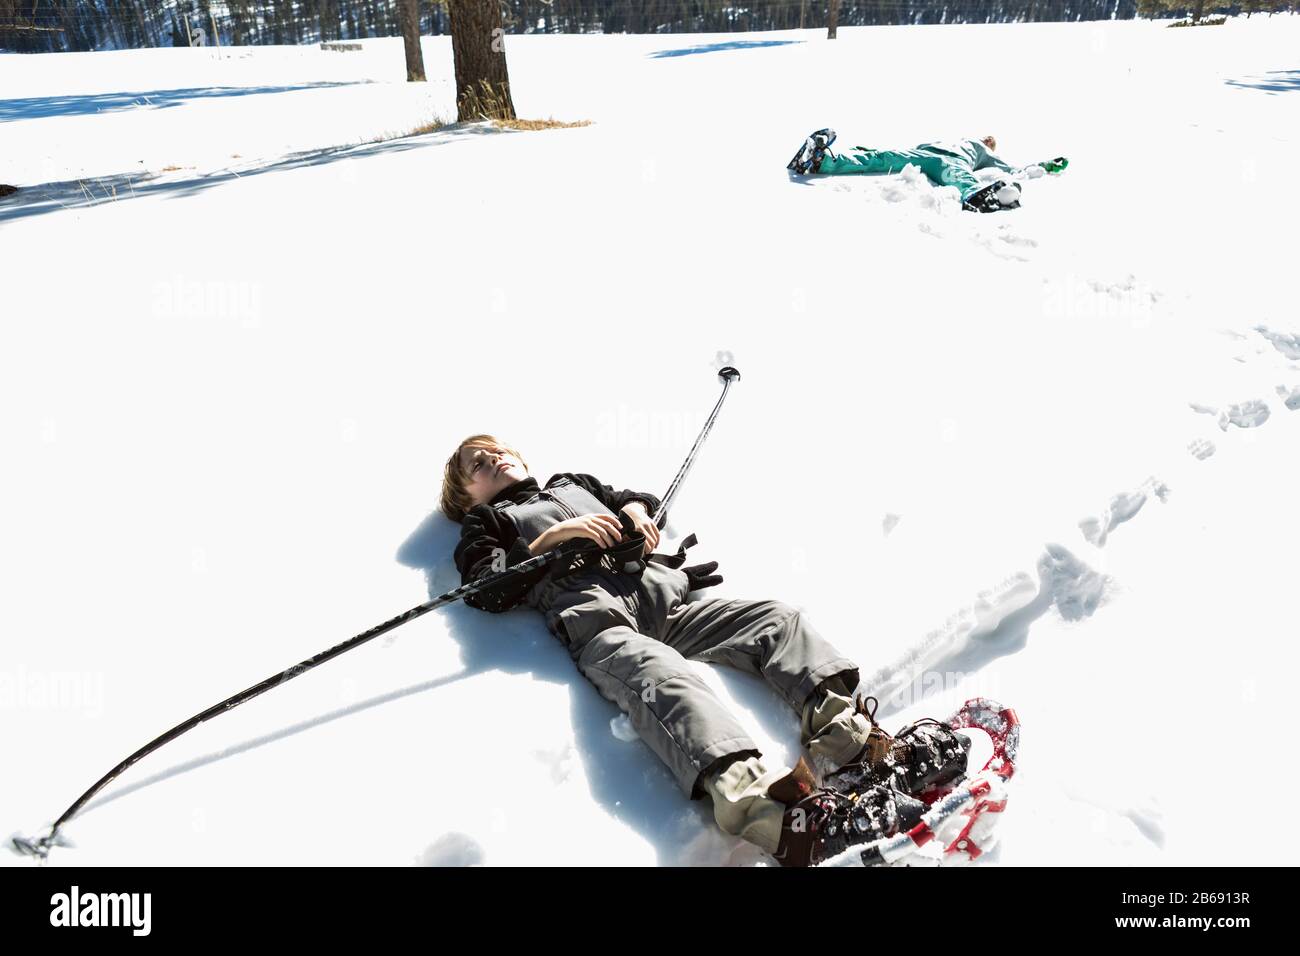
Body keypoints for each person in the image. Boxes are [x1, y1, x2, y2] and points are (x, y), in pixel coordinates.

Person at [441, 433, 911, 866]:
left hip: (667, 603)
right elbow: (487, 585)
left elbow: (633, 499)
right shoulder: (489, 522)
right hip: (602, 626)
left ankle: (848, 740)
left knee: (775, 619)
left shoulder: (573, 483)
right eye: (477, 464)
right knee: (666, 679)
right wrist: (554, 538)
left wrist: (638, 515)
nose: (494, 459)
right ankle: (776, 818)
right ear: (469, 497)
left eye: (498, 450)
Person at [788, 128, 1067, 213]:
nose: (986, 140)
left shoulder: (982, 153)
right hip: (924, 153)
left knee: (954, 171)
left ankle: (975, 195)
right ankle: (819, 162)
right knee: (885, 157)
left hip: (948, 162)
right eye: (986, 138)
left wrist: (1044, 166)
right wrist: (868, 149)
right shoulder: (952, 138)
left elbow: (1014, 168)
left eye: (990, 141)